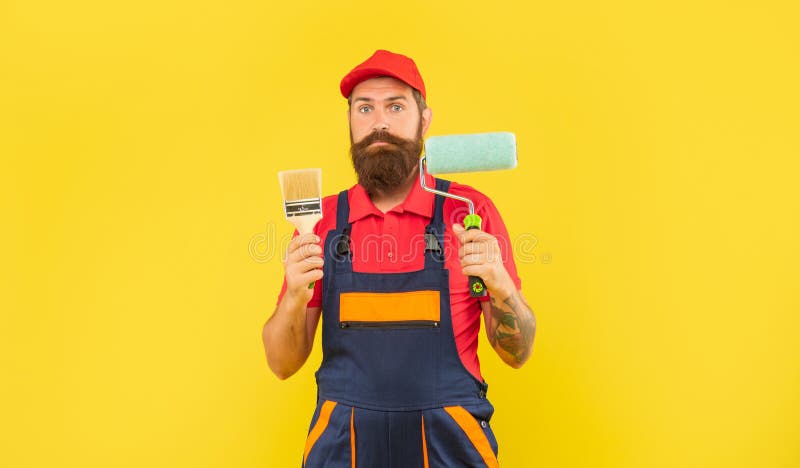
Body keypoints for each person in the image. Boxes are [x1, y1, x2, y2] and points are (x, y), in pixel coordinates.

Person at [262, 49, 536, 467]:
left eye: (395, 106)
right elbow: (281, 365)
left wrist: (501, 288)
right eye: (365, 108)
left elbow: (518, 354)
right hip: (343, 445)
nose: (380, 123)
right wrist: (294, 297)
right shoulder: (322, 222)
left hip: (451, 444)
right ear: (350, 121)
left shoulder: (469, 212)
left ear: (424, 120)